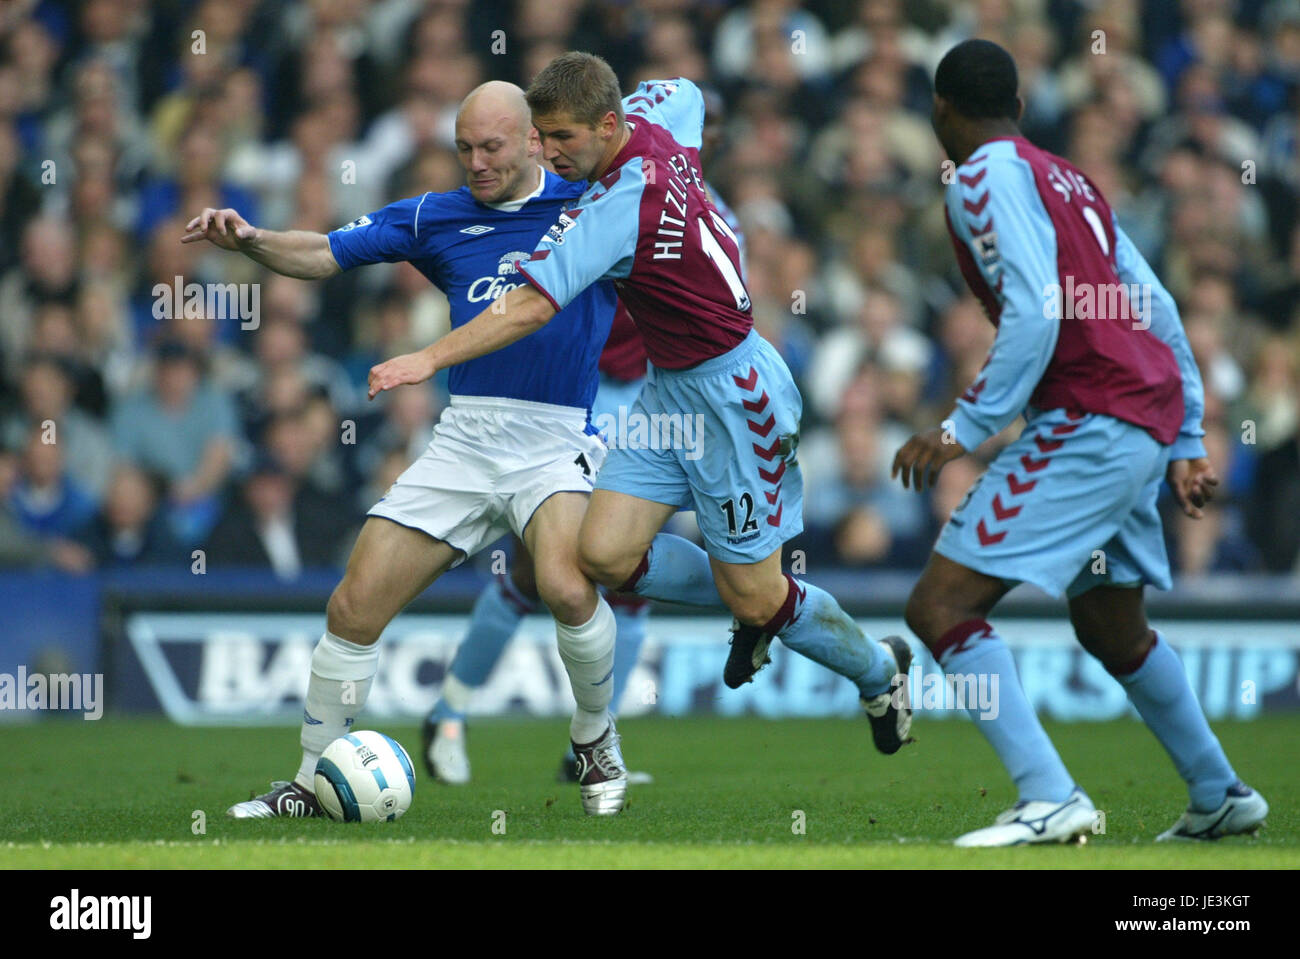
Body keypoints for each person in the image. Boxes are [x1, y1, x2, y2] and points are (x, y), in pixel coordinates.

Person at [368, 53, 912, 758]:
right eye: (541, 134)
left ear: (605, 125)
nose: (547, 151)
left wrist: (429, 357)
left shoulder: (613, 208)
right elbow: (684, 87)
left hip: (735, 395)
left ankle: (879, 669)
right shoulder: (661, 118)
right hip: (667, 390)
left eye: (561, 137)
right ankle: (753, 597)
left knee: (756, 594)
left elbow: (530, 305)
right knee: (601, 553)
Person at [185, 81, 631, 818]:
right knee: (354, 603)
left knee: (565, 583)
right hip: (465, 438)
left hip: (555, 438)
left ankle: (594, 738)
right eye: (463, 148)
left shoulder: (592, 208)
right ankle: (304, 781)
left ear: (531, 141)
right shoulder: (434, 214)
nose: (476, 163)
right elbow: (326, 252)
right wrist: (254, 240)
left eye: (491, 147)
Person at [890, 38, 1268, 846]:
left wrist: (964, 426)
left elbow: (1035, 312)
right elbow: (1154, 300)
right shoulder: (1070, 180)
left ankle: (1049, 794)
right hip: (1142, 414)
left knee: (941, 605)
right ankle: (1219, 792)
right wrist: (1187, 433)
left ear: (939, 112)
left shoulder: (981, 177)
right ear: (1021, 109)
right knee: (1110, 626)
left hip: (1091, 418)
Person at [423, 87, 747, 787]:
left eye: (719, 129)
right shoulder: (598, 198)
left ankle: (589, 745)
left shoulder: (716, 218)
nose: (709, 136)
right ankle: (450, 710)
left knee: (612, 571)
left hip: (652, 399)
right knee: (540, 567)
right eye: (705, 124)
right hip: (581, 392)